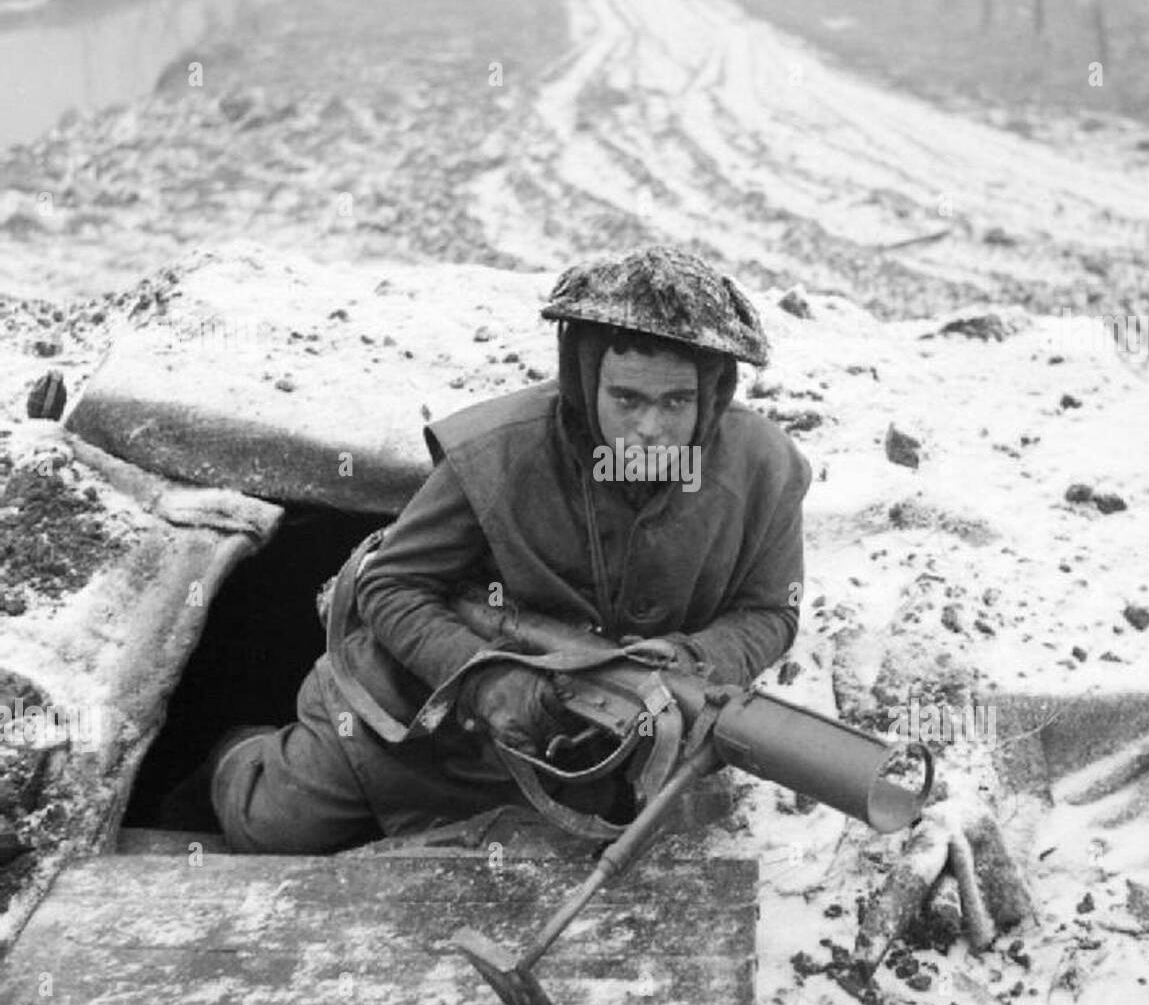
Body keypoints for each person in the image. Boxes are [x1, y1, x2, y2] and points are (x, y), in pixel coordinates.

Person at [208, 246, 813, 853]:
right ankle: (231, 750)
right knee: (277, 825)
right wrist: (482, 679)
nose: (649, 429)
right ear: (584, 381)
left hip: (595, 745)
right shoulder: (497, 451)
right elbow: (391, 585)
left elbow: (771, 611)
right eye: (626, 399)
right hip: (419, 717)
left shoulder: (765, 469)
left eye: (675, 402)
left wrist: (695, 656)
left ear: (712, 394)